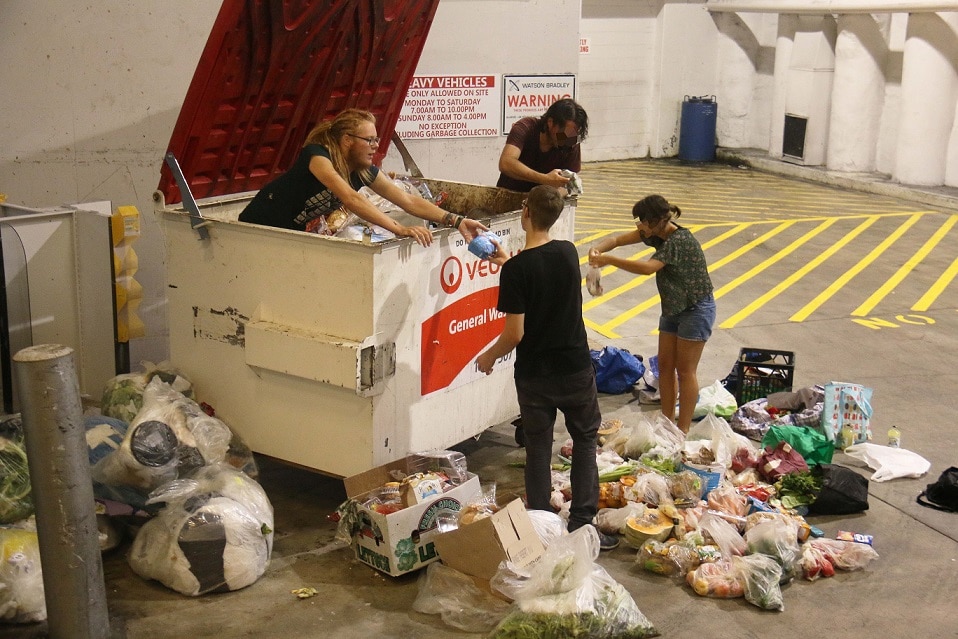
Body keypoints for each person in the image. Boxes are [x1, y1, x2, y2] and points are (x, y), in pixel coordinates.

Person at [476, 185, 618, 551]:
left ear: (525, 213)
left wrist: (488, 357)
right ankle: (584, 525)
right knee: (585, 442)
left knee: (539, 448)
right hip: (574, 367)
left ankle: (540, 526)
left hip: (535, 375)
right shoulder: (568, 252)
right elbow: (541, 268)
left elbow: (515, 333)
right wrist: (509, 261)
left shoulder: (517, 271)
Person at [239, 108, 486, 245]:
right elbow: (350, 199)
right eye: (369, 140)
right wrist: (399, 229)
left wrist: (456, 220)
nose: (375, 146)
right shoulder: (317, 156)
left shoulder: (362, 171)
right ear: (347, 140)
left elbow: (407, 201)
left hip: (288, 233)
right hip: (255, 226)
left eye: (376, 140)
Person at [588, 195, 715, 434]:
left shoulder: (679, 241)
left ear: (657, 220)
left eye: (643, 222)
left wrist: (609, 260)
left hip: (695, 309)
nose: (640, 227)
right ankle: (667, 425)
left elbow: (648, 269)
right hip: (673, 308)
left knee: (686, 371)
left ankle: (683, 430)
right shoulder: (654, 232)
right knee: (666, 366)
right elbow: (616, 240)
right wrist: (597, 251)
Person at [496, 98, 588, 193]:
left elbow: (568, 184)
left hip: (544, 202)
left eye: (572, 136)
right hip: (509, 196)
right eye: (564, 134)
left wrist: (557, 194)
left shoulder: (571, 143)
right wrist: (545, 179)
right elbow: (506, 163)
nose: (567, 140)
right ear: (550, 123)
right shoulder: (526, 127)